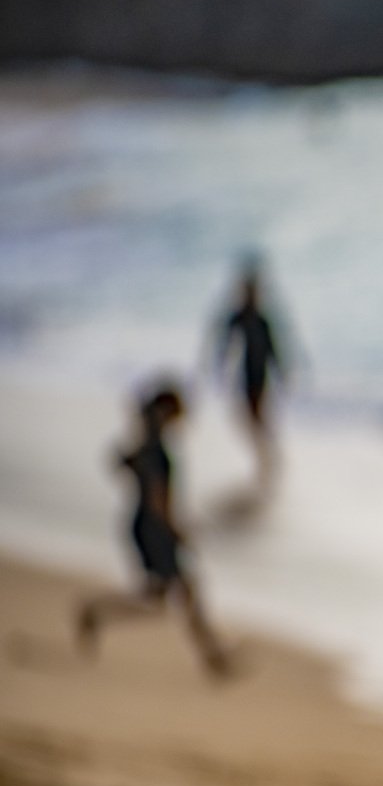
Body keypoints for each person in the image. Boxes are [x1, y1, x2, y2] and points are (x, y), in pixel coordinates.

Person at [75, 381, 232, 678]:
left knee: (159, 596)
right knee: (184, 590)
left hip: (143, 524)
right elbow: (158, 497)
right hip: (153, 528)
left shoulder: (145, 441)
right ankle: (213, 659)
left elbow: (121, 465)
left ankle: (94, 613)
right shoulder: (155, 447)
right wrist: (176, 530)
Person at [209, 256, 289, 494]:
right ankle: (267, 458)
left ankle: (268, 459)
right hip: (246, 376)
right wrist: (219, 367)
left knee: (256, 419)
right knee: (251, 420)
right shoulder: (242, 317)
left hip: (258, 377)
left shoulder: (261, 319)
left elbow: (274, 349)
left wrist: (281, 372)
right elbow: (224, 343)